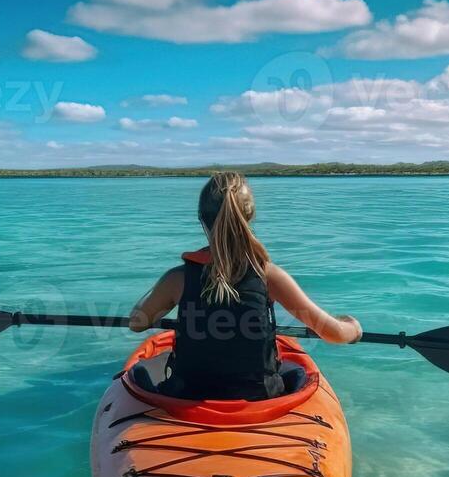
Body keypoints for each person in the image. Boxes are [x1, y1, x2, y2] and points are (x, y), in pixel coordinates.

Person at [127, 171, 362, 400]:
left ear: (202, 218)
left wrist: (153, 293)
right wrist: (353, 328)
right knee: (296, 373)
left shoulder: (177, 278)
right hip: (258, 396)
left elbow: (137, 323)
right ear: (249, 217)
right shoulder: (269, 275)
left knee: (140, 374)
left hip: (187, 395)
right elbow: (334, 334)